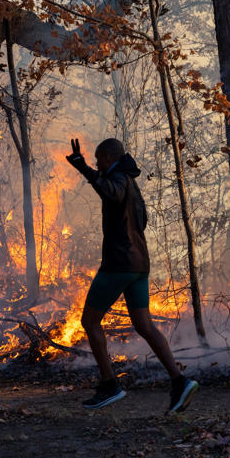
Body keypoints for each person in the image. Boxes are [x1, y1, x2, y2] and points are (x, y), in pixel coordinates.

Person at [66, 137, 199, 412]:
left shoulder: (118, 179)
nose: (96, 164)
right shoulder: (131, 182)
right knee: (144, 325)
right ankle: (179, 381)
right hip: (139, 265)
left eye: (99, 160)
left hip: (119, 265)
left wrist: (84, 170)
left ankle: (109, 385)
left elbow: (110, 193)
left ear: (109, 158)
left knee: (89, 322)